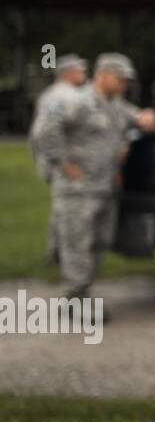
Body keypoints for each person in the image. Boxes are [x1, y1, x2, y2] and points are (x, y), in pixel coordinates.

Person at [32, 53, 155, 300]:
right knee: (77, 244)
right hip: (78, 189)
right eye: (120, 79)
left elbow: (139, 119)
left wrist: (148, 119)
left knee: (100, 242)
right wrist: (62, 163)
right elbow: (44, 130)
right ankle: (76, 296)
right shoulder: (78, 101)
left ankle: (81, 292)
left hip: (104, 187)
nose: (124, 84)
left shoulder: (116, 104)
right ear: (104, 75)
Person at [29, 54, 88, 267]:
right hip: (62, 163)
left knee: (62, 207)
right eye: (81, 70)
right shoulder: (62, 96)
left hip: (55, 160)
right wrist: (60, 161)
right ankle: (60, 253)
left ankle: (58, 252)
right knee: (66, 208)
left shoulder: (53, 94)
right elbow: (44, 132)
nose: (84, 74)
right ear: (69, 73)